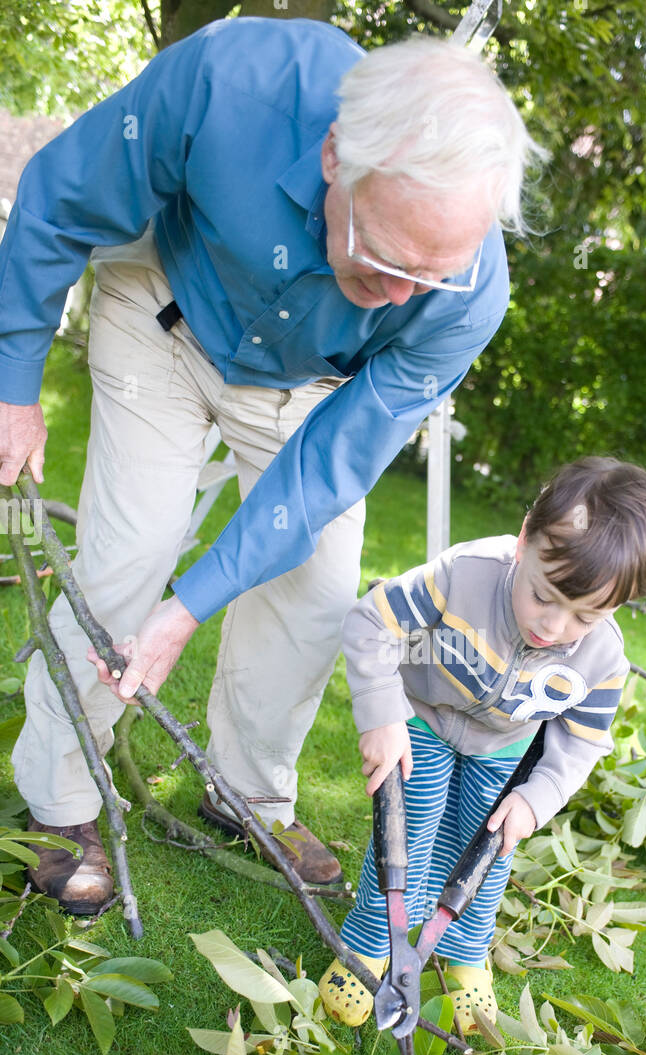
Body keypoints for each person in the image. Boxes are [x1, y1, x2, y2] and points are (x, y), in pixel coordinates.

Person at [0, 17, 547, 910]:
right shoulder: (232, 81)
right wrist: (13, 380)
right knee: (127, 561)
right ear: (337, 156)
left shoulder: (466, 295)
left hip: (312, 393)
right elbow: (61, 198)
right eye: (387, 259)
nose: (406, 297)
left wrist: (195, 605)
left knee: (318, 591)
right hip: (162, 317)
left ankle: (246, 794)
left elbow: (333, 463)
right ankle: (59, 803)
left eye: (433, 276)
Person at [318, 455, 646, 1031]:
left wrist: (539, 797)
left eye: (584, 616)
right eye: (544, 596)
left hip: (502, 749)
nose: (554, 628)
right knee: (409, 829)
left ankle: (462, 956)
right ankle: (369, 943)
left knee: (486, 852)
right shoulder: (465, 573)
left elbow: (582, 742)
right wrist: (382, 713)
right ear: (524, 539)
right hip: (425, 719)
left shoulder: (604, 656)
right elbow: (371, 622)